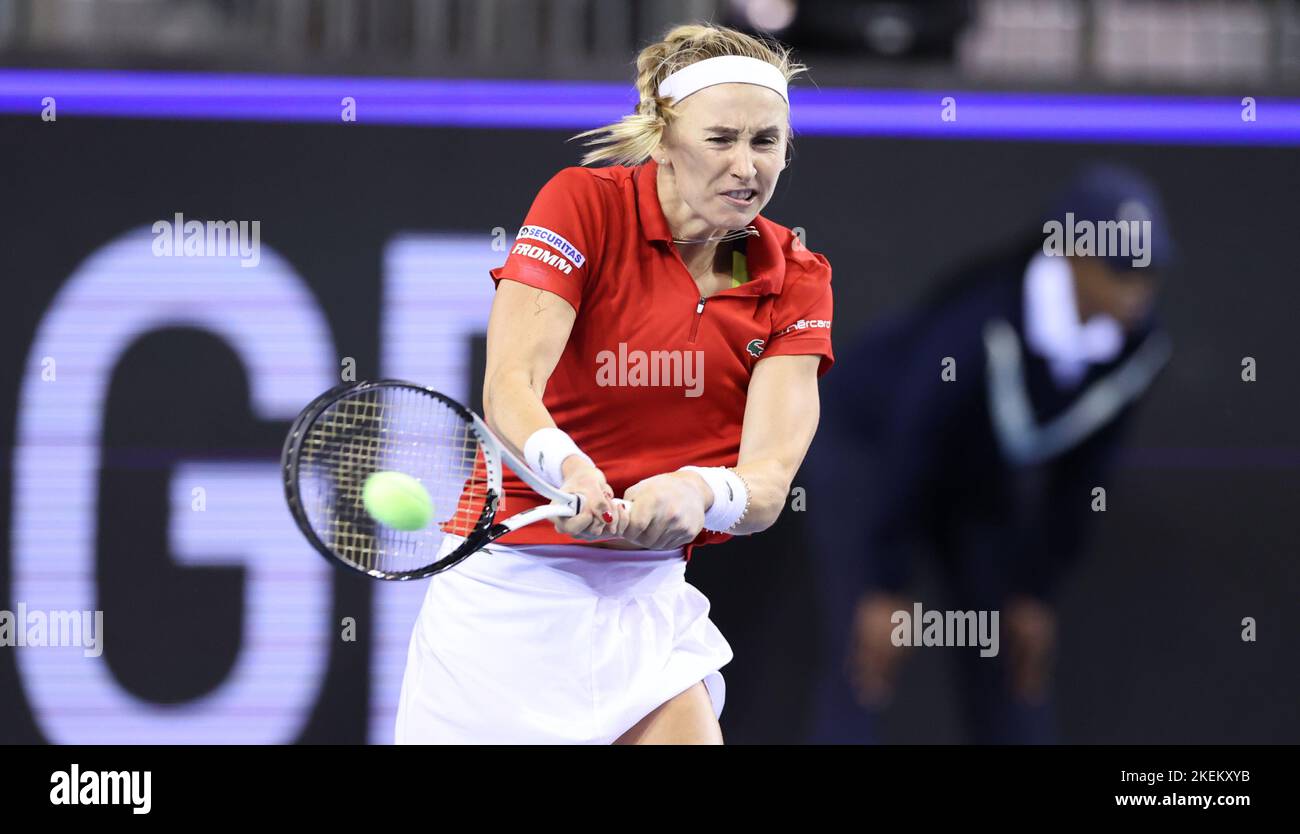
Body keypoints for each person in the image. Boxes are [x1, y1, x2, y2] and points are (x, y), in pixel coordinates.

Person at [395, 22, 835, 745]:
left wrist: (699, 491)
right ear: (664, 138)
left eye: (766, 142)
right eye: (721, 138)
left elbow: (766, 483)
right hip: (505, 600)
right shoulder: (584, 206)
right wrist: (564, 466)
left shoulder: (796, 278)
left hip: (647, 602)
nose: (746, 166)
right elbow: (510, 384)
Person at [805, 163, 1173, 744]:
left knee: (1010, 653)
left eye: (1147, 275)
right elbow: (913, 443)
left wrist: (1035, 589)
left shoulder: (1137, 345)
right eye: (1120, 273)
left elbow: (1082, 480)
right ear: (1072, 256)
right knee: (866, 651)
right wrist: (884, 582)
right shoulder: (982, 319)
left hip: (973, 480)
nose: (1137, 294)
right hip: (872, 455)